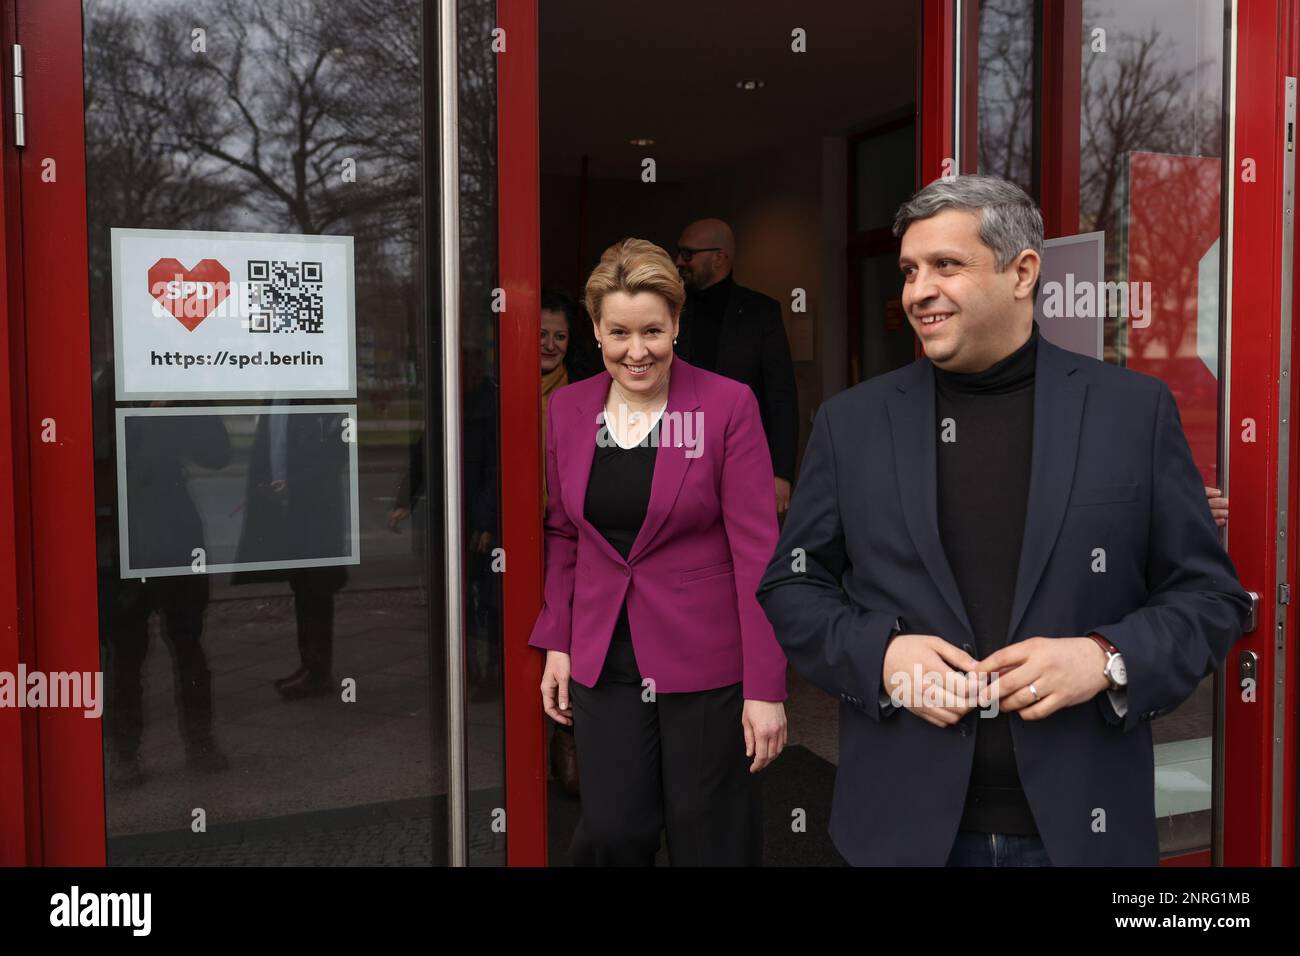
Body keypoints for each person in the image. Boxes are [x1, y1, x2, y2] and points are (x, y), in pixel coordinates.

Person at [757, 174, 1250, 866]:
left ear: (1023, 273)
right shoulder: (852, 424)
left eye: (945, 265)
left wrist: (1105, 659)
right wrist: (881, 657)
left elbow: (1210, 598)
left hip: (1079, 829)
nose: (917, 290)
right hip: (902, 830)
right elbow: (792, 586)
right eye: (909, 270)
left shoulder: (1131, 412)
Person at [529, 238, 788, 865]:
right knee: (614, 831)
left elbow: (759, 555)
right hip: (604, 659)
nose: (636, 350)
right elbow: (564, 533)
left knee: (710, 839)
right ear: (595, 329)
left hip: (705, 664)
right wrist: (558, 642)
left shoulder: (727, 406)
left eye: (652, 330)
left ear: (676, 322)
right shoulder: (567, 409)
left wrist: (766, 687)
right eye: (619, 332)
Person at [674, 218, 799, 513]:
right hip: (677, 452)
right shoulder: (670, 308)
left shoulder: (761, 312)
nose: (679, 261)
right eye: (679, 252)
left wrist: (781, 474)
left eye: (688, 254)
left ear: (719, 258)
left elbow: (781, 396)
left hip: (742, 456)